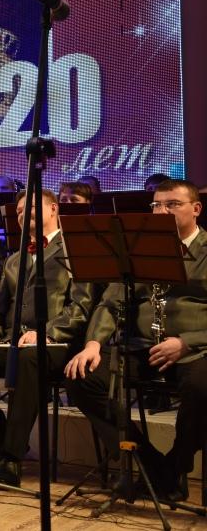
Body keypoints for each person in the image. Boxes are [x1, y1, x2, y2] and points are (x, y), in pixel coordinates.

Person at [65, 179, 206, 502]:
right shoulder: (140, 249)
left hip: (196, 350)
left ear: (196, 209)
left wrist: (187, 341)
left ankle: (177, 464)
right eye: (157, 205)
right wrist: (93, 344)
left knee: (202, 388)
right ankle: (154, 468)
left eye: (172, 204)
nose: (162, 212)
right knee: (82, 377)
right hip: (144, 347)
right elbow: (110, 302)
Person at [0, 189, 89, 486]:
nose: (22, 215)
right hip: (13, 342)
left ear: (53, 209)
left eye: (30, 208)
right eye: (19, 211)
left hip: (56, 344)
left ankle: (10, 458)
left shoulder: (75, 249)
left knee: (28, 360)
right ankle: (3, 437)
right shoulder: (14, 259)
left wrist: (46, 333)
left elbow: (80, 307)